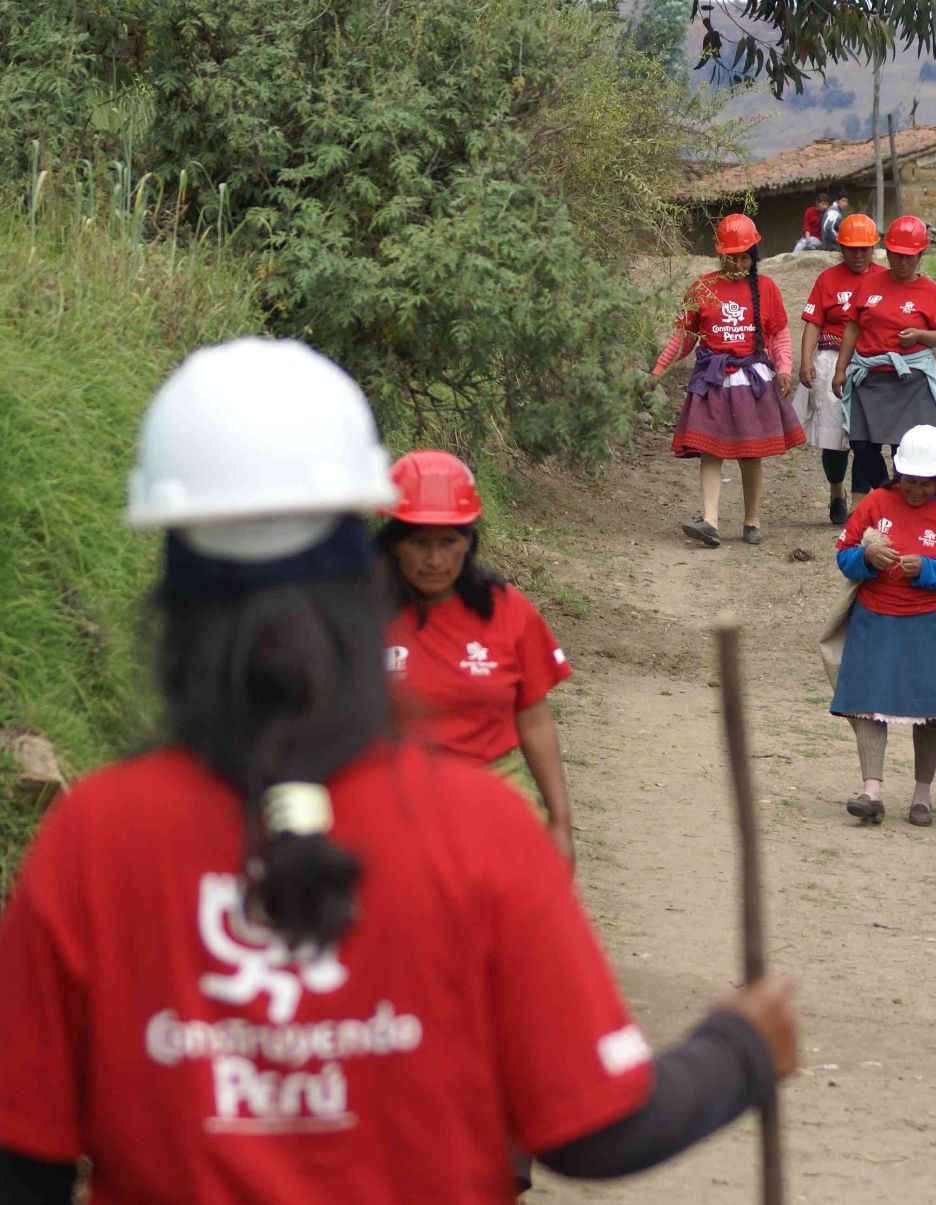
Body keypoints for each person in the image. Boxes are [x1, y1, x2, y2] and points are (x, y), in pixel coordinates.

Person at [0, 338, 797, 1204]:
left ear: (171, 588)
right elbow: (596, 1128)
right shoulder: (482, 830)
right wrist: (738, 1049)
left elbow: (22, 1161)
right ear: (363, 570)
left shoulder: (91, 839)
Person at [377, 450, 577, 865]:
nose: (435, 560)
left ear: (469, 542)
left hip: (494, 795)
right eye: (419, 543)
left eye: (448, 542)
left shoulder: (509, 611)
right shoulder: (358, 617)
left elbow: (534, 719)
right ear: (394, 544)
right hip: (391, 799)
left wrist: (560, 822)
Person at [831, 425, 936, 828]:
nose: (916, 490)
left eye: (926, 483)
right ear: (898, 473)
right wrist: (867, 557)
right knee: (868, 704)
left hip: (934, 624)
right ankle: (871, 792)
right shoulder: (876, 502)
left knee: (929, 711)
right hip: (876, 617)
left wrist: (929, 569)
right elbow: (843, 555)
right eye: (910, 481)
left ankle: (922, 796)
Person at [652, 213, 804, 548]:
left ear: (754, 256)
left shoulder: (766, 288)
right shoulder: (701, 287)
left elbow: (779, 334)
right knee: (710, 450)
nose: (737, 264)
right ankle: (710, 521)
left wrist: (784, 368)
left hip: (751, 382)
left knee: (751, 453)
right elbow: (683, 339)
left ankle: (752, 520)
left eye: (744, 257)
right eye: (730, 258)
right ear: (719, 254)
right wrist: (657, 372)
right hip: (713, 381)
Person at [832, 214, 936, 510]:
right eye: (897, 255)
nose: (903, 262)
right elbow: (853, 327)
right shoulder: (869, 284)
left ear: (920, 256)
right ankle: (887, 492)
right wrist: (840, 369)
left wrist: (920, 335)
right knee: (861, 443)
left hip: (911, 380)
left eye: (910, 256)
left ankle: (908, 503)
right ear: (887, 254)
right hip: (870, 377)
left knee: (909, 447)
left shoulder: (930, 292)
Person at [797, 213, 884, 526]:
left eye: (864, 249)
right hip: (832, 360)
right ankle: (837, 492)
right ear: (841, 249)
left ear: (873, 249)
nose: (858, 255)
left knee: (866, 438)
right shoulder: (828, 279)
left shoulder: (885, 279)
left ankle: (860, 502)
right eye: (852, 249)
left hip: (872, 363)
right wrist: (806, 361)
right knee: (834, 438)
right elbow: (813, 322)